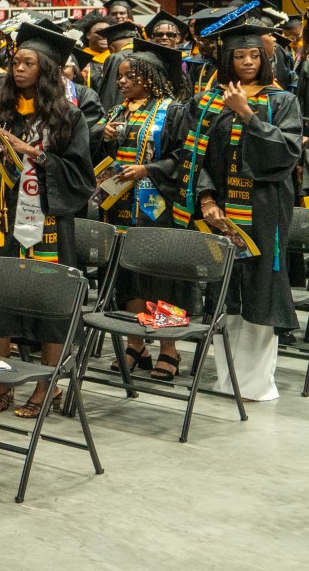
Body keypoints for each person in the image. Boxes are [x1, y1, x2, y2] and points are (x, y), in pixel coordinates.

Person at [0, 23, 92, 417]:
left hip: (50, 223)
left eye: (29, 63)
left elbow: (80, 178)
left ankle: (46, 385)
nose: (18, 69)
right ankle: (3, 380)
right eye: (16, 62)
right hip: (5, 218)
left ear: (47, 71)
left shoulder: (68, 119)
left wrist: (35, 154)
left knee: (50, 301)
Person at [189, 21, 304, 402]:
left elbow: (287, 154)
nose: (248, 61)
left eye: (255, 55)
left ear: (265, 57)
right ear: (228, 59)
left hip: (264, 212)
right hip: (223, 213)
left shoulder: (282, 100)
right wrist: (207, 200)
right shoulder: (212, 99)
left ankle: (256, 386)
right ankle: (226, 380)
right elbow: (199, 157)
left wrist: (248, 116)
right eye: (240, 55)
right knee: (227, 291)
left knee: (260, 288)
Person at [92, 39, 193, 383]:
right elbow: (100, 156)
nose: (120, 82)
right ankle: (136, 344)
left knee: (161, 278)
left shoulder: (174, 110)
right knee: (127, 278)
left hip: (157, 208)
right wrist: (101, 136)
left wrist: (148, 171)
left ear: (150, 77)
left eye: (128, 76)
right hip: (118, 207)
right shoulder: (117, 112)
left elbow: (185, 157)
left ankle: (169, 349)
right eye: (119, 77)